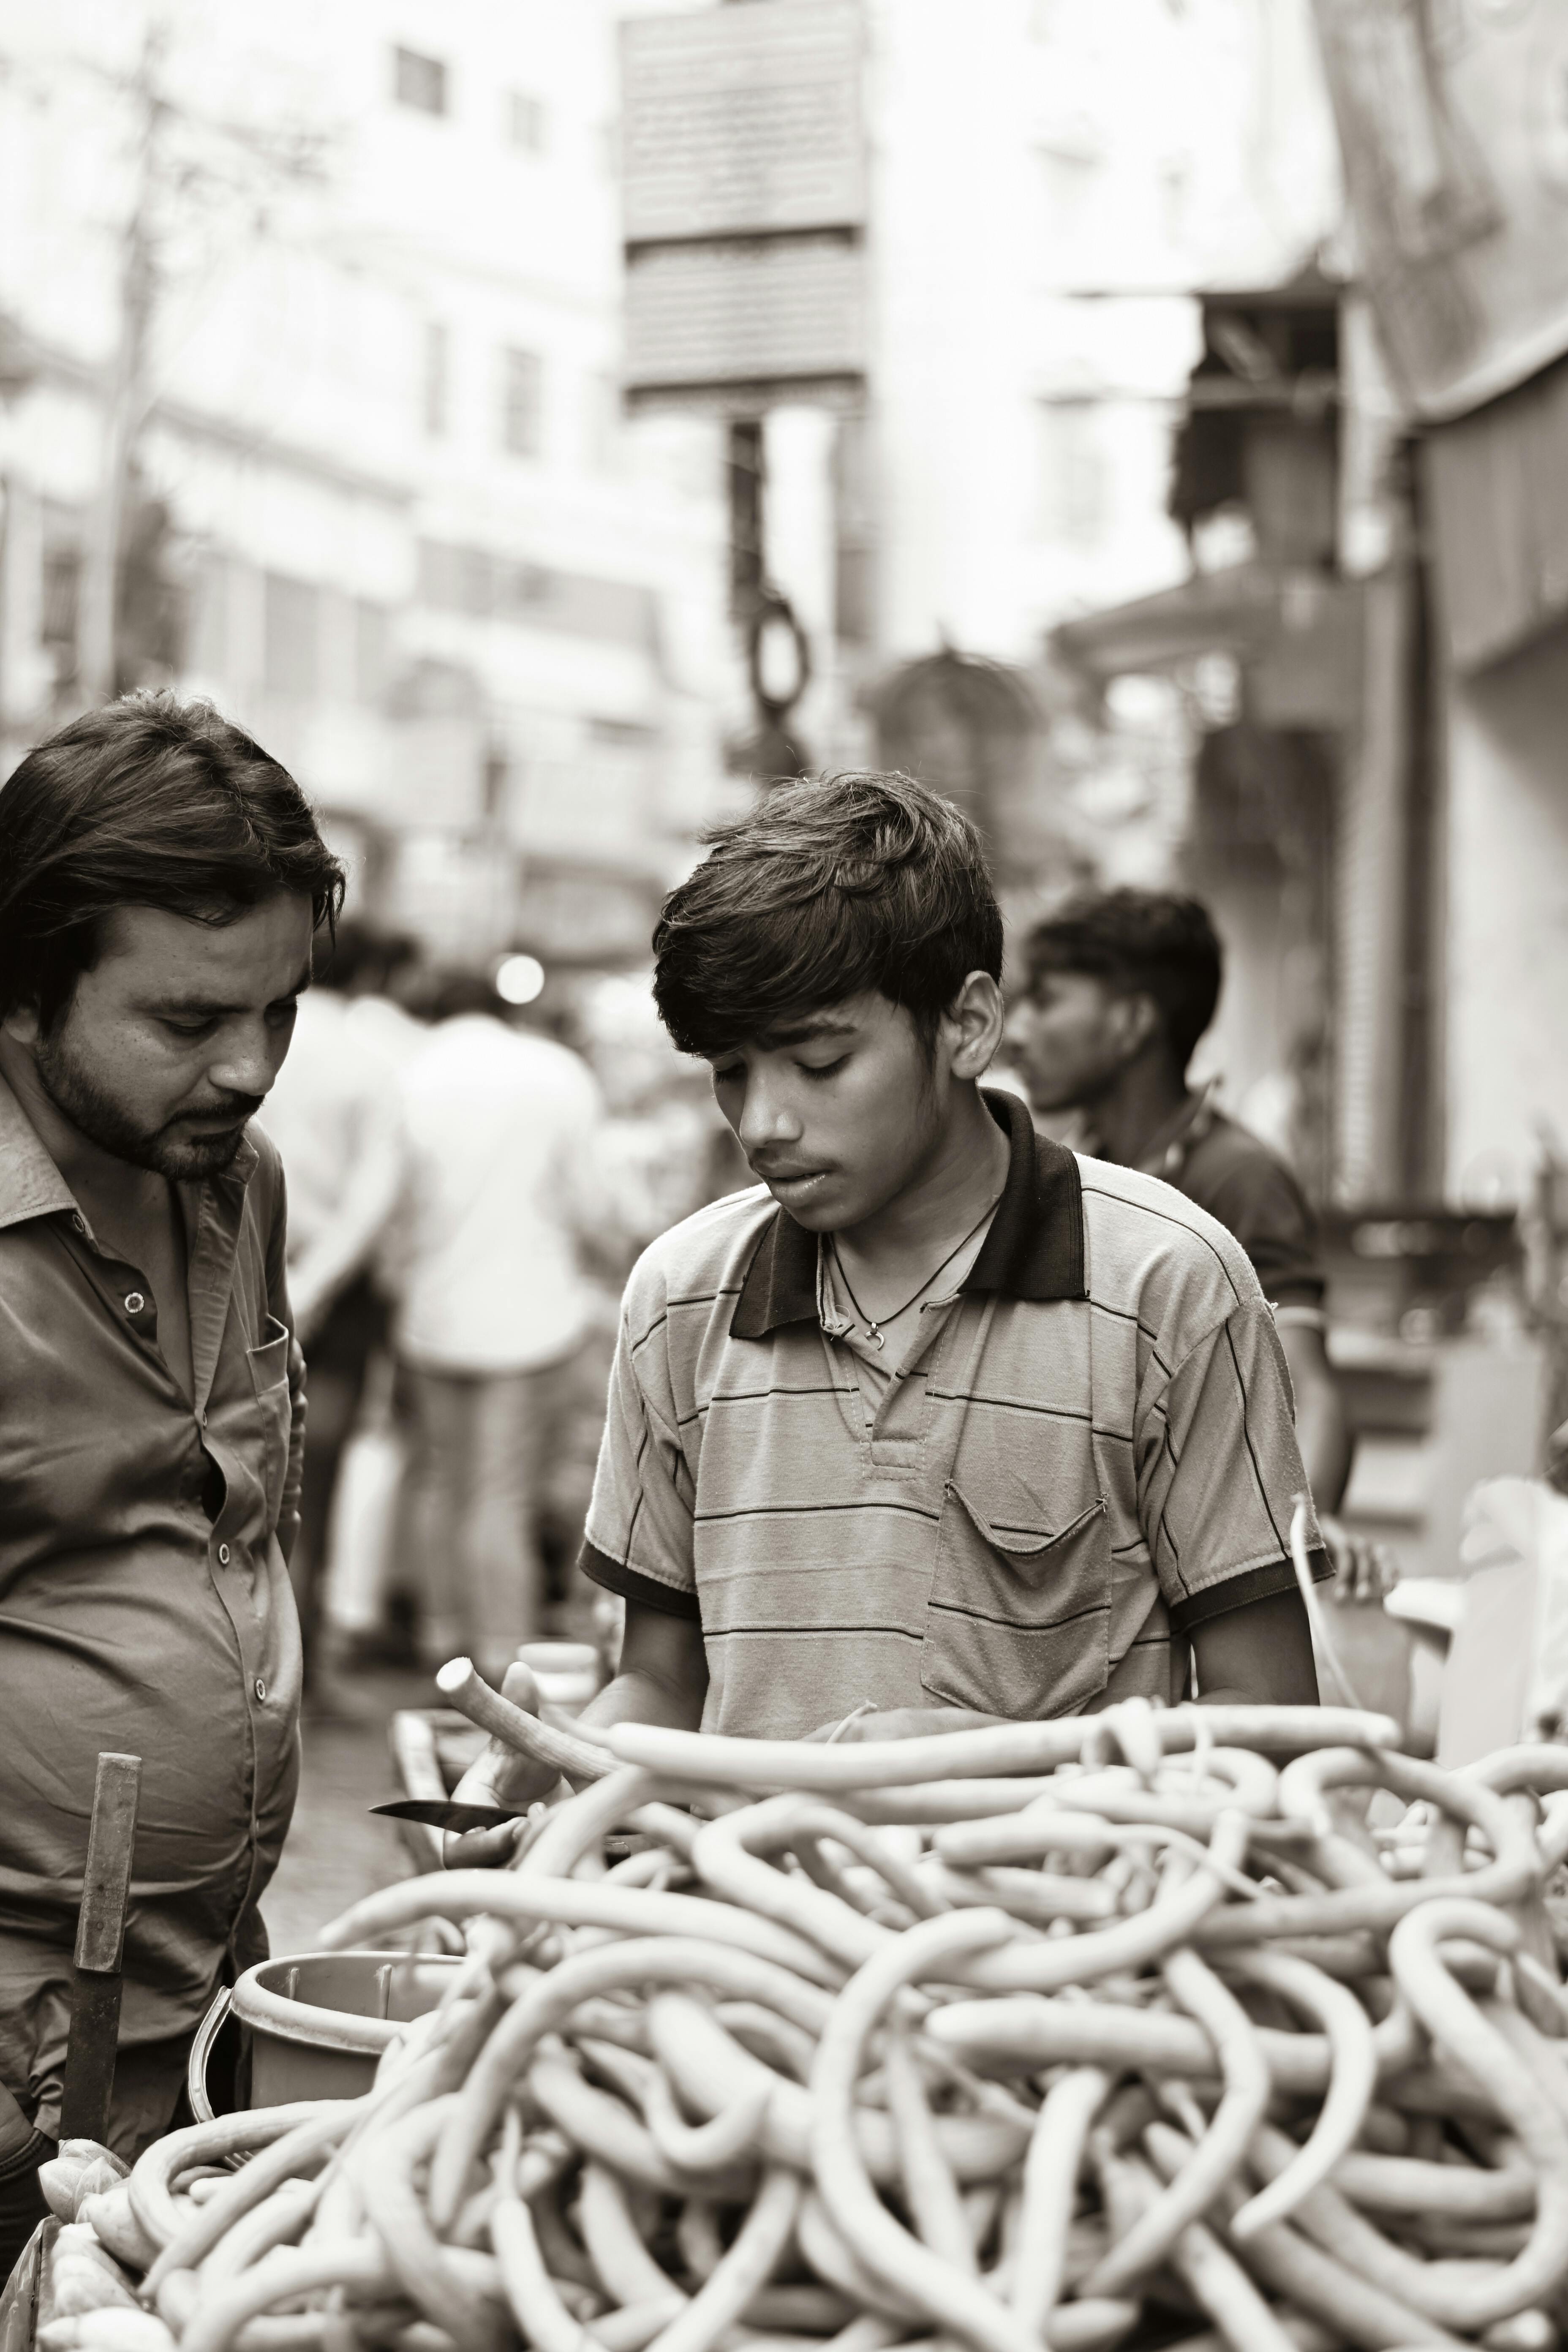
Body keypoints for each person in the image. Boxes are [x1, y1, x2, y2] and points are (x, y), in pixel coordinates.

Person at [457, 772, 1327, 1835]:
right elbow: (663, 1682)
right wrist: (569, 1771)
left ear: (964, 1026)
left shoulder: (1170, 1287)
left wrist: (996, 1771)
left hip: (1065, 1964)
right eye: (731, 1073)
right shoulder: (681, 1301)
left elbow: (1272, 1719)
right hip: (734, 1950)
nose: (764, 1121)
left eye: (819, 1062)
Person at [0, 692, 342, 2274]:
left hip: (202, 2020)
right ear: (27, 982)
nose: (250, 1065)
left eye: (279, 1011)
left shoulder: (236, 1182)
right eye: (189, 1019)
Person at [1004, 887, 1389, 1601]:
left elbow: (1311, 1387)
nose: (1015, 1031)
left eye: (1046, 1001)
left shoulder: (1238, 1178)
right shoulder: (1073, 1169)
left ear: (1132, 1023)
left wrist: (1303, 1536)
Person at [392, 970, 604, 1683]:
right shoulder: (554, 1074)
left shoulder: (409, 1074)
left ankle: (438, 1634)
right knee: (501, 1495)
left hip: (431, 1313)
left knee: (441, 1481)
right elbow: (594, 1201)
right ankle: (504, 1659)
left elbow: (390, 1204)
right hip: (530, 1314)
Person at [255, 921, 405, 1694]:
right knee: (316, 1475)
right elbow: (377, 1197)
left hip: (246, 1263)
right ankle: (299, 1661)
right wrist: (315, 1287)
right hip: (337, 1298)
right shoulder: (377, 1057)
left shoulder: (252, 1029)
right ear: (377, 975)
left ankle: (248, 1655)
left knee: (244, 1463)